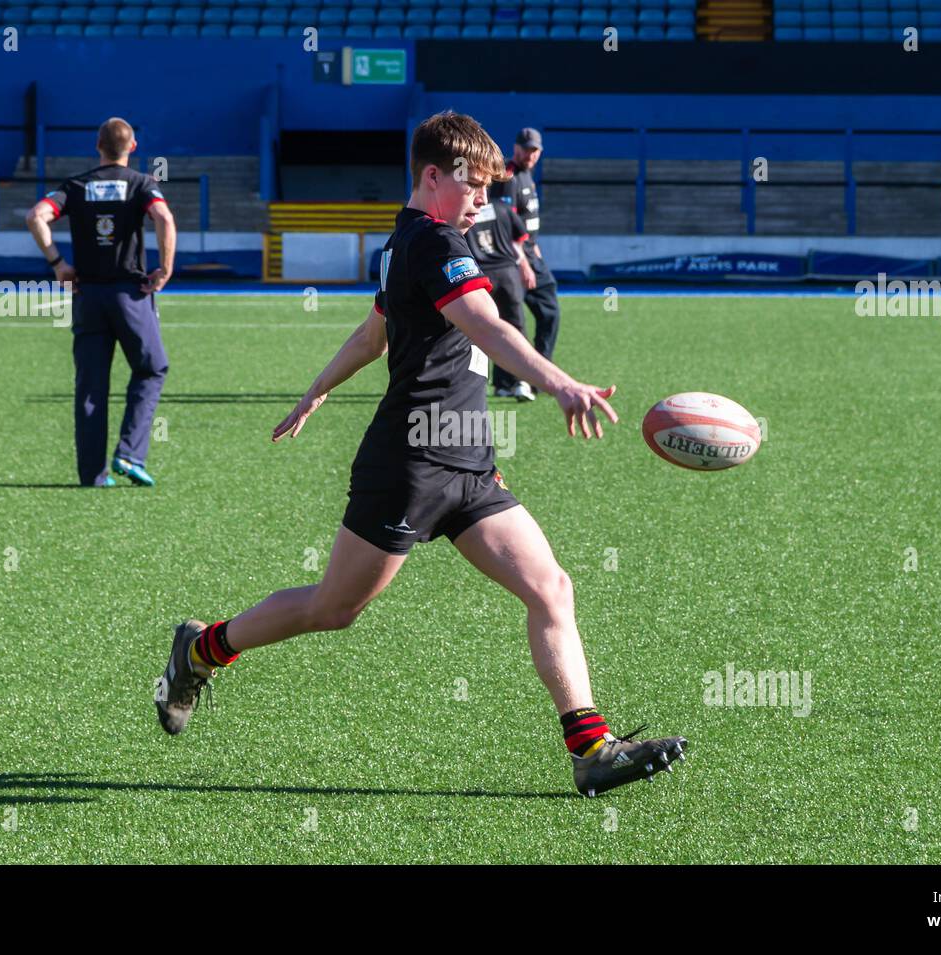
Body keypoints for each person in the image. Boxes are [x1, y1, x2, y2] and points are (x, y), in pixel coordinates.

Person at [152, 111, 686, 798]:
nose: (482, 205)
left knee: (551, 586)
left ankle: (591, 749)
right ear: (433, 177)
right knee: (333, 608)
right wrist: (558, 382)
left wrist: (316, 389)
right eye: (473, 189)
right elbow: (484, 324)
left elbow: (376, 331)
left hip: (468, 460)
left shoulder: (416, 241)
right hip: (407, 462)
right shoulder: (429, 243)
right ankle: (200, 648)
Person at [25, 117, 176, 488]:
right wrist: (166, 267)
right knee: (152, 367)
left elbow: (36, 216)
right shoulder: (142, 183)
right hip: (130, 295)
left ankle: (92, 475)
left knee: (91, 384)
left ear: (98, 146)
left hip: (87, 295)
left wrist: (58, 263)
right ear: (133, 147)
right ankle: (129, 453)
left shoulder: (76, 186)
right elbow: (164, 217)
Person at [489, 127, 559, 392]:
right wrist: (522, 262)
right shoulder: (507, 177)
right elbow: (503, 223)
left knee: (546, 313)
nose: (530, 153)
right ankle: (510, 381)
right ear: (516, 148)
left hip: (530, 255)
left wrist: (534, 249)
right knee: (512, 319)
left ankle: (534, 374)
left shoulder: (527, 176)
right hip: (513, 260)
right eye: (526, 148)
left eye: (534, 150)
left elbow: (525, 222)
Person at [464, 194, 538, 401]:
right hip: (507, 273)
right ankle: (520, 382)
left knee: (476, 330)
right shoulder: (505, 209)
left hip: (476, 274)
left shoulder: (466, 212)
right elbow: (520, 238)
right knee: (515, 327)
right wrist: (525, 265)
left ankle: (486, 384)